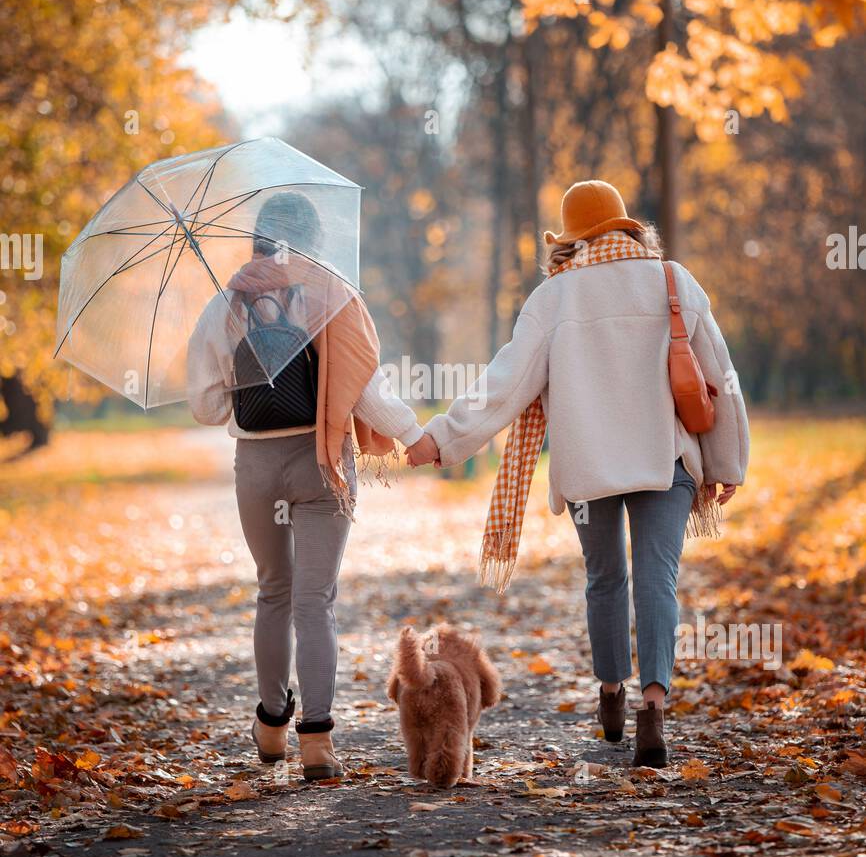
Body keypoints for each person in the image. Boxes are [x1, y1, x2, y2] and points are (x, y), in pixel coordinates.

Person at [408, 180, 749, 767]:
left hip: (588, 468)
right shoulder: (674, 281)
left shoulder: (554, 297)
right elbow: (721, 376)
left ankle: (611, 692)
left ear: (569, 242)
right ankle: (653, 707)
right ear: (626, 226)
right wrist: (726, 461)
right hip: (665, 462)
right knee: (657, 580)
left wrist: (441, 439)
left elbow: (504, 385)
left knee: (606, 580)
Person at [187, 190, 423, 780]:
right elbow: (367, 389)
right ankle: (317, 742)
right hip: (322, 459)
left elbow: (205, 408)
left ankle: (270, 724)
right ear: (315, 241)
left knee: (273, 592)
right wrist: (418, 437)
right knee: (315, 601)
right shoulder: (332, 298)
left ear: (256, 239)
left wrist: (248, 380)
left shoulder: (224, 306)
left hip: (257, 467)